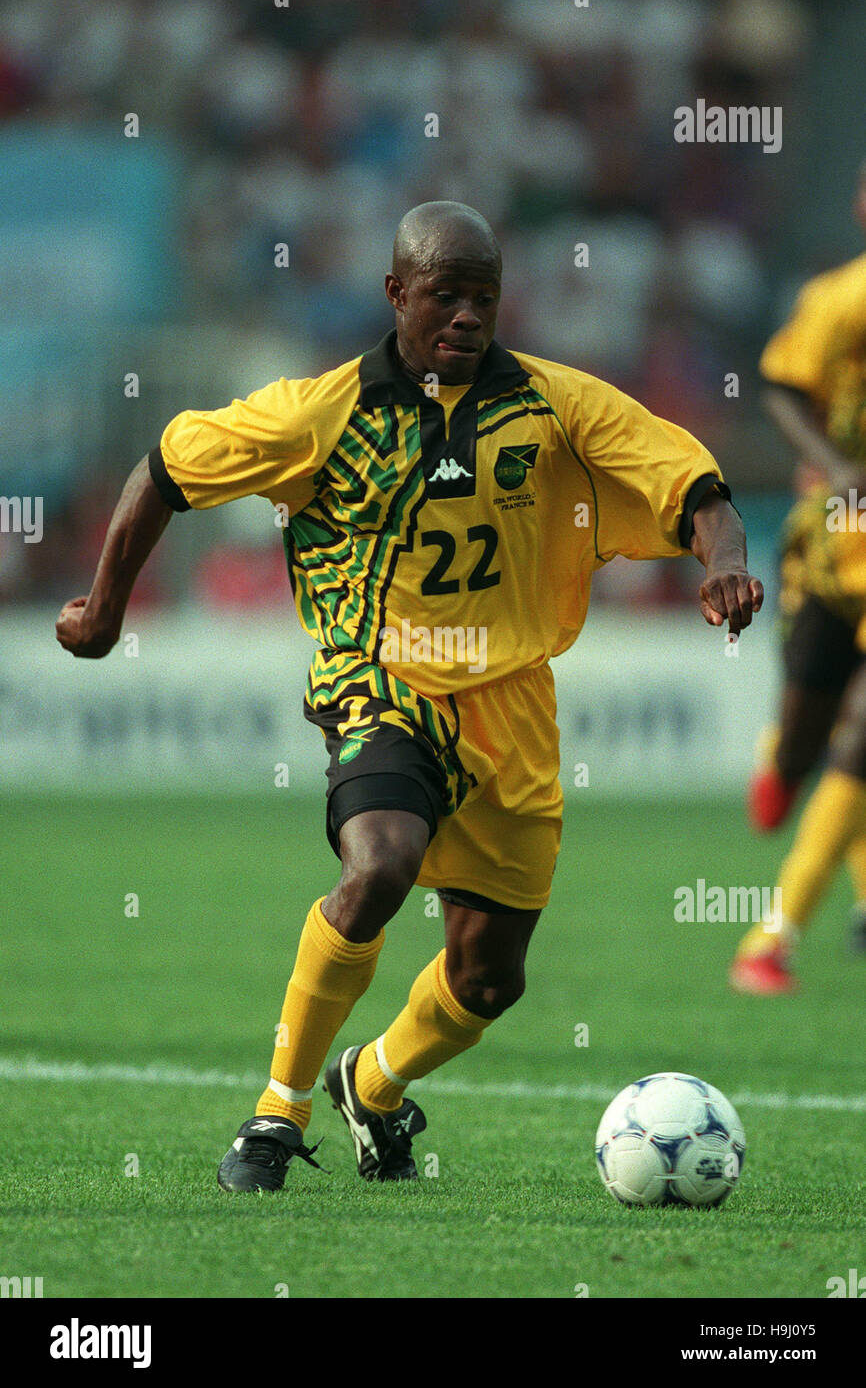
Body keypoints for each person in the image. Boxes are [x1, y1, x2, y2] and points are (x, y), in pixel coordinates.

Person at [56, 201, 762, 1189]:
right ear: (395, 293)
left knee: (488, 977)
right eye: (445, 294)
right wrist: (103, 610)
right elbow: (168, 466)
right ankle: (274, 1114)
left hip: (511, 703)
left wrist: (722, 562)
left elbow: (688, 483)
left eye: (484, 296)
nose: (466, 315)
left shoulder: (554, 406)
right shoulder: (324, 413)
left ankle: (374, 1084)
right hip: (378, 677)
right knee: (380, 863)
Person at [732, 168, 866, 993]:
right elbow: (779, 387)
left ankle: (769, 941)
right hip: (832, 543)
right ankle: (781, 757)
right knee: (813, 737)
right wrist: (837, 466)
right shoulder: (841, 300)